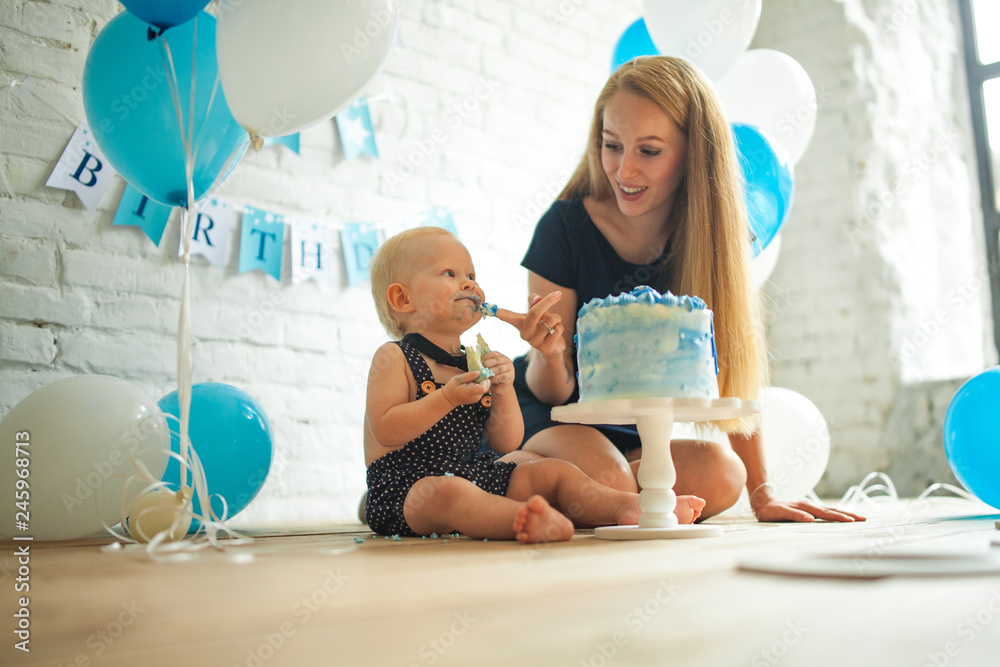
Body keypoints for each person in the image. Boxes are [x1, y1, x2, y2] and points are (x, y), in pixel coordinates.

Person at [495, 56, 863, 523]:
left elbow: (731, 366)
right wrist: (549, 355)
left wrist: (763, 494)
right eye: (612, 145)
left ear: (694, 152)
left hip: (639, 440)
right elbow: (551, 391)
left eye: (649, 151)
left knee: (722, 477)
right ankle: (508, 473)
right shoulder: (564, 228)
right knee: (609, 480)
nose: (624, 171)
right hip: (557, 420)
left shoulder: (714, 241)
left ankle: (590, 495)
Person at [363, 226, 706, 543]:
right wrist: (447, 398)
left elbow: (505, 442)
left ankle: (633, 507)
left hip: (473, 474)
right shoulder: (394, 358)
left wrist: (503, 391)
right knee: (450, 494)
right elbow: (386, 430)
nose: (469, 285)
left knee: (551, 472)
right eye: (450, 274)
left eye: (471, 275)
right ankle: (523, 518)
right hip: (409, 490)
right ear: (402, 299)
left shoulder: (475, 362)